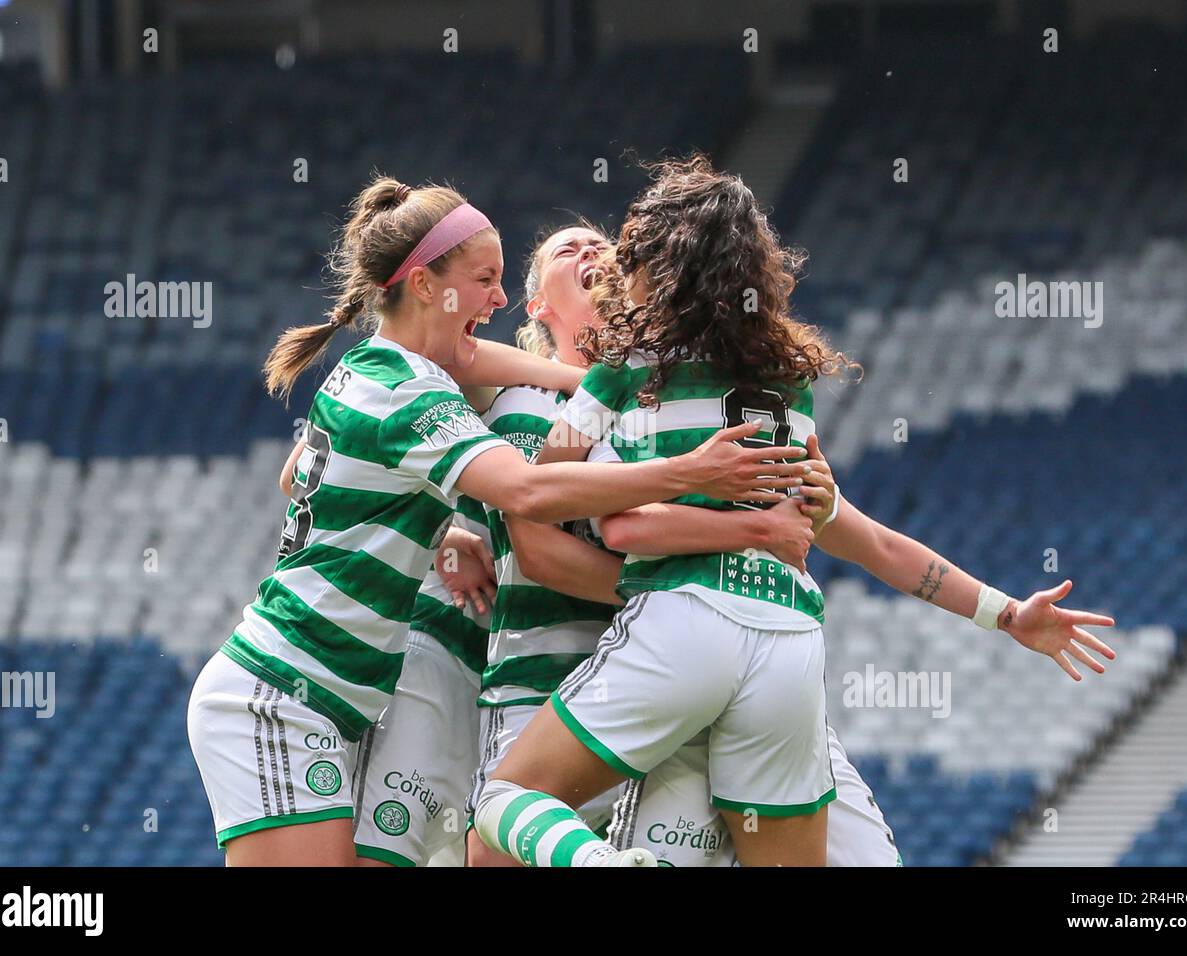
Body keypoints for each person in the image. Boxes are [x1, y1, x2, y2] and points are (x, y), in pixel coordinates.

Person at [474, 156, 1115, 867]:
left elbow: (560, 495)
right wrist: (1005, 613)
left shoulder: (627, 369)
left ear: (659, 261)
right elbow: (869, 541)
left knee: (503, 806)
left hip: (682, 626)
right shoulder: (786, 385)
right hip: (790, 642)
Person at [186, 173, 812, 866]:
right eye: (486, 277)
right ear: (426, 285)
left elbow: (302, 470)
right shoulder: (414, 393)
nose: (499, 297)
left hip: (336, 692)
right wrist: (692, 473)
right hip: (292, 687)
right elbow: (529, 494)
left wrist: (441, 524)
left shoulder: (394, 370)